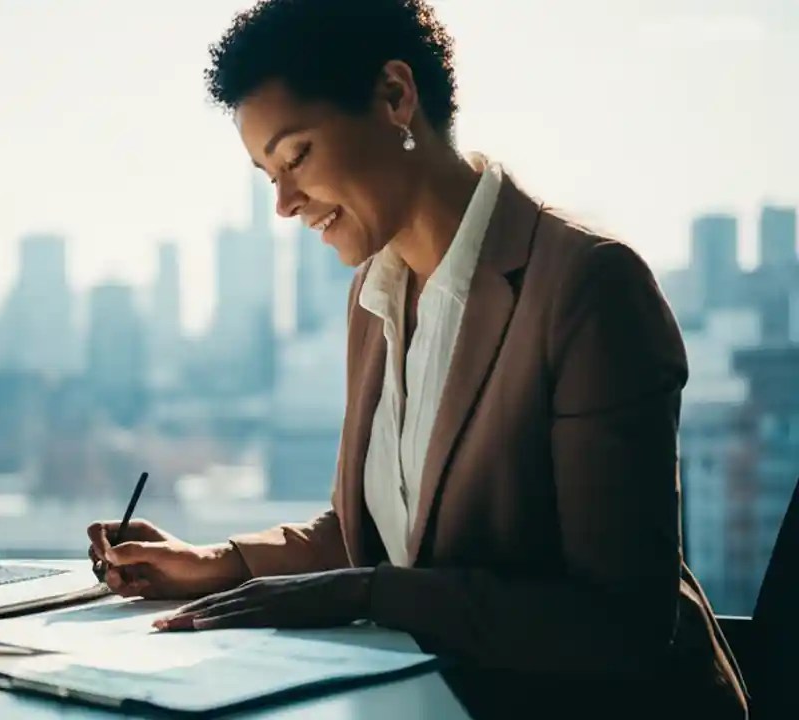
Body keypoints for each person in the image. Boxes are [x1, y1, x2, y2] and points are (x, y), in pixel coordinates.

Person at [86, 0, 747, 716]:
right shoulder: (376, 289)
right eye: (266, 173)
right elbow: (388, 525)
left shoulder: (588, 288)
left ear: (396, 96)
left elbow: (620, 623)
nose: (283, 202)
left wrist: (366, 592)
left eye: (297, 155)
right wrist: (217, 563)